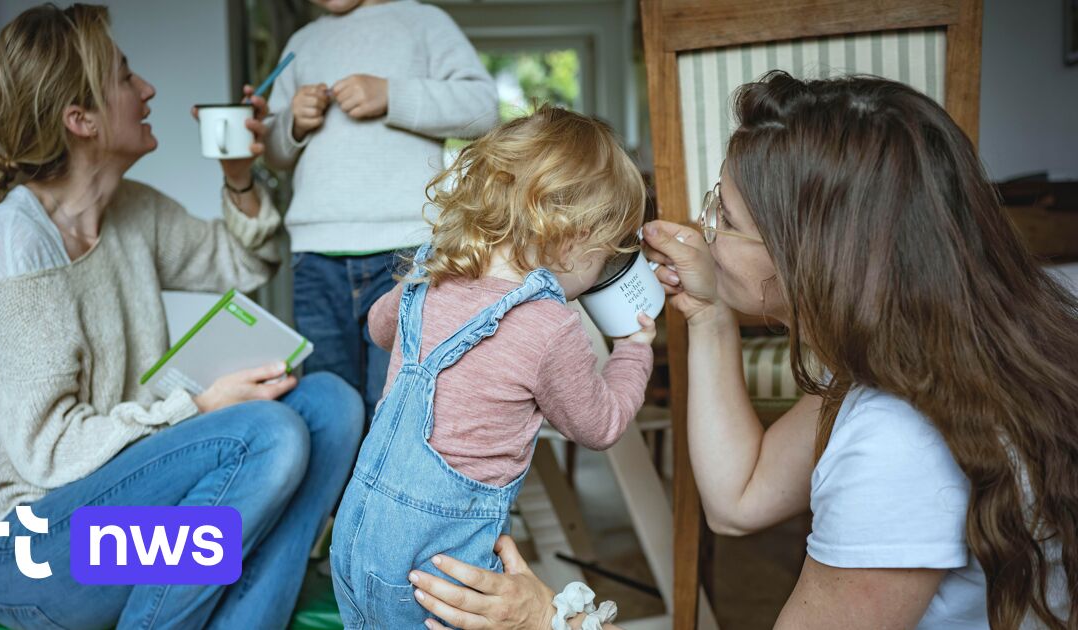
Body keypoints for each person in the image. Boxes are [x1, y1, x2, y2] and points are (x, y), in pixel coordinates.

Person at [409, 72, 1077, 629]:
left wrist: (551, 619)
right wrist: (706, 313)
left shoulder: (897, 439)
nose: (702, 232)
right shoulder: (934, 351)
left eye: (722, 218)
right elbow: (739, 499)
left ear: (804, 258)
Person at [0, 5, 363, 628]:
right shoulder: (13, 243)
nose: (147, 89)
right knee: (269, 434)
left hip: (121, 518)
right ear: (79, 119)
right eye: (125, 77)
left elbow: (246, 260)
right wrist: (197, 408)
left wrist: (240, 176)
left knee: (331, 404)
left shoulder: (130, 212)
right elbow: (49, 452)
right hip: (28, 550)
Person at [328, 106, 656, 628]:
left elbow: (378, 327)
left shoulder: (429, 277)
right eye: (602, 257)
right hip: (440, 573)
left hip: (354, 543)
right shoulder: (548, 325)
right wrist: (635, 347)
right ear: (571, 237)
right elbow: (602, 425)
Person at [263, 0, 500, 423]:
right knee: (329, 406)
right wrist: (292, 123)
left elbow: (483, 110)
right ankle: (340, 493)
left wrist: (392, 94)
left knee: (392, 401)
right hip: (316, 254)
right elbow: (275, 153)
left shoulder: (423, 21)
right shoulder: (302, 42)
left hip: (406, 248)